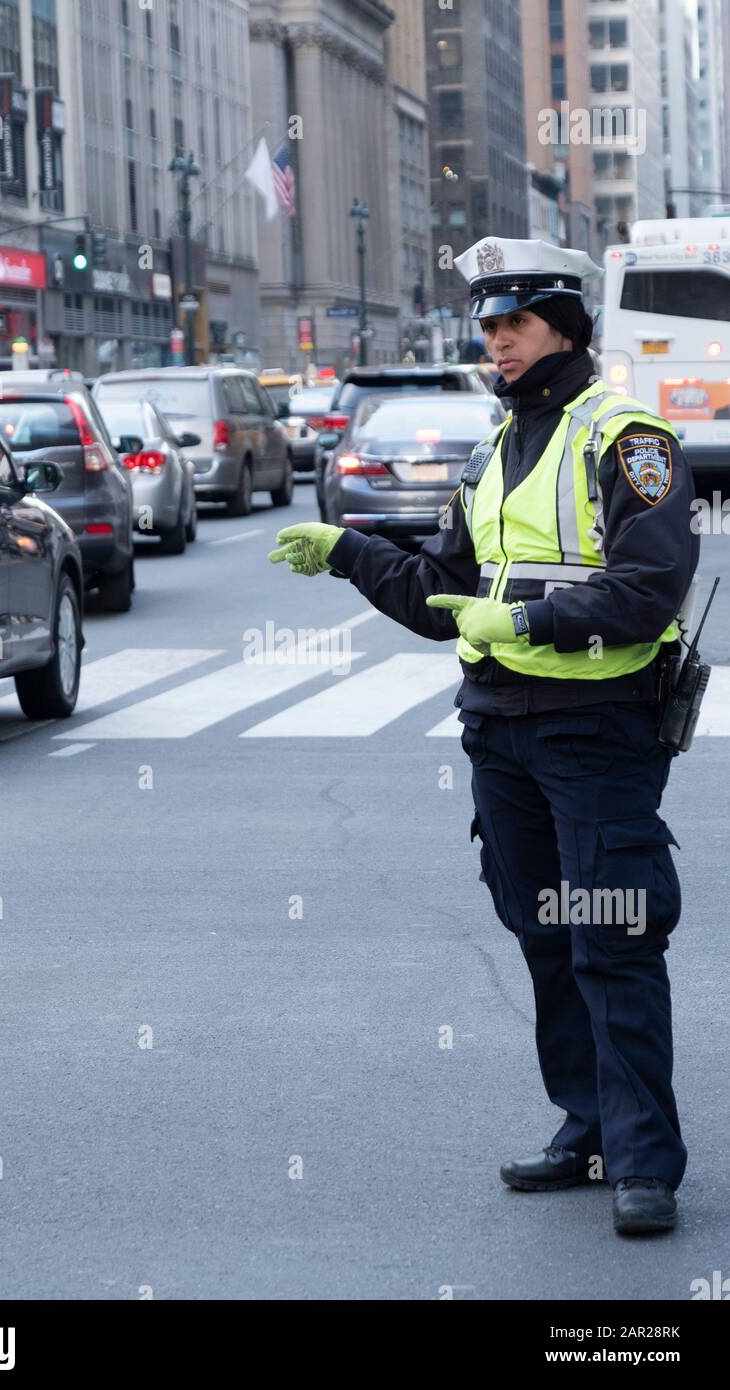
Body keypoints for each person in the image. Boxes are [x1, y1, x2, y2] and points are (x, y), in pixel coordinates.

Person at [268, 237, 700, 1237]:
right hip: (498, 728)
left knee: (612, 937)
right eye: (490, 326)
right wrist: (348, 553)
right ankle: (586, 1127)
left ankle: (643, 1162)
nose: (497, 342)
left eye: (515, 324)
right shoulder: (494, 447)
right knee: (542, 932)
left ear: (565, 327)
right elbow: (439, 598)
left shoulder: (625, 437)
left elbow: (645, 590)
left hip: (597, 728)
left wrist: (527, 624)